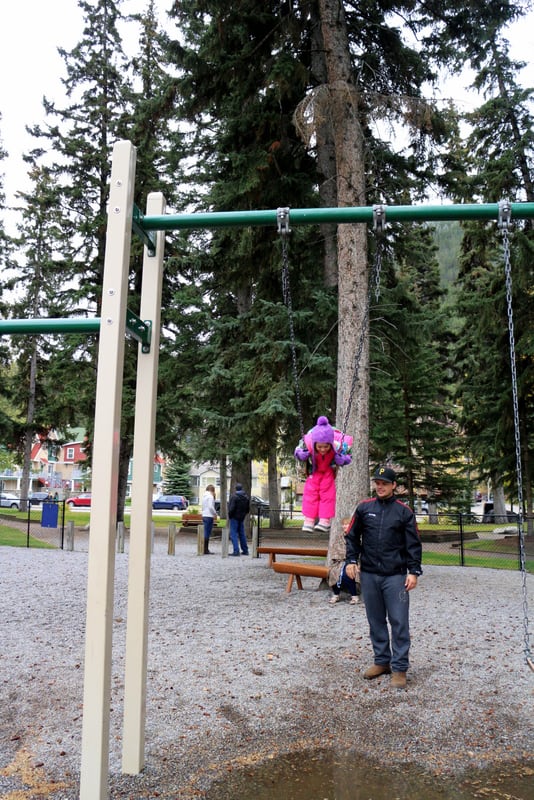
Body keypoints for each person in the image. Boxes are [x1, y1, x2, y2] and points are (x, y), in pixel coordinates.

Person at [345, 466, 422, 689]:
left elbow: (413, 544)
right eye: (377, 482)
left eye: (385, 483)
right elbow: (351, 536)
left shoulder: (404, 511)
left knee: (399, 622)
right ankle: (382, 662)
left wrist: (414, 572)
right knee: (375, 620)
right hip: (369, 574)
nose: (380, 486)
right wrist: (351, 560)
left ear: (393, 485)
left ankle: (399, 668)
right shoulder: (364, 508)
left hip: (396, 576)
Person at [294, 415, 351, 533]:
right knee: (311, 494)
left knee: (328, 495)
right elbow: (297, 451)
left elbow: (348, 456)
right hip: (314, 473)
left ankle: (325, 521)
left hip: (328, 473)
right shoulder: (308, 444)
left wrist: (342, 459)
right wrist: (301, 454)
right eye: (319, 447)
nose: (323, 449)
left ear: (330, 444)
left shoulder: (337, 446)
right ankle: (309, 520)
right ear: (315, 444)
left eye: (326, 446)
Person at [328, 517, 361, 605]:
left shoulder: (357, 537)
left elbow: (359, 551)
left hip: (354, 561)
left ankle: (354, 595)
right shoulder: (339, 537)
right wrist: (341, 557)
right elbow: (335, 549)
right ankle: (336, 594)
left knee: (348, 575)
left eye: (346, 524)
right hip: (339, 561)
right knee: (334, 573)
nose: (344, 526)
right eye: (343, 524)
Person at [228, 483, 250, 556]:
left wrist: (230, 515)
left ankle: (236, 550)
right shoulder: (246, 497)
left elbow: (232, 508)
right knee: (242, 534)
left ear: (236, 489)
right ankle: (245, 550)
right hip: (241, 517)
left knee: (233, 534)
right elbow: (247, 509)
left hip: (234, 517)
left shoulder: (234, 497)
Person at [201, 484, 218, 555]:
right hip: (209, 515)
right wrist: (215, 513)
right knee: (207, 532)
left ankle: (203, 548)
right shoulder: (210, 497)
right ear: (212, 490)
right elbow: (211, 506)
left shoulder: (204, 496)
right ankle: (205, 549)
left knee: (205, 532)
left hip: (204, 515)